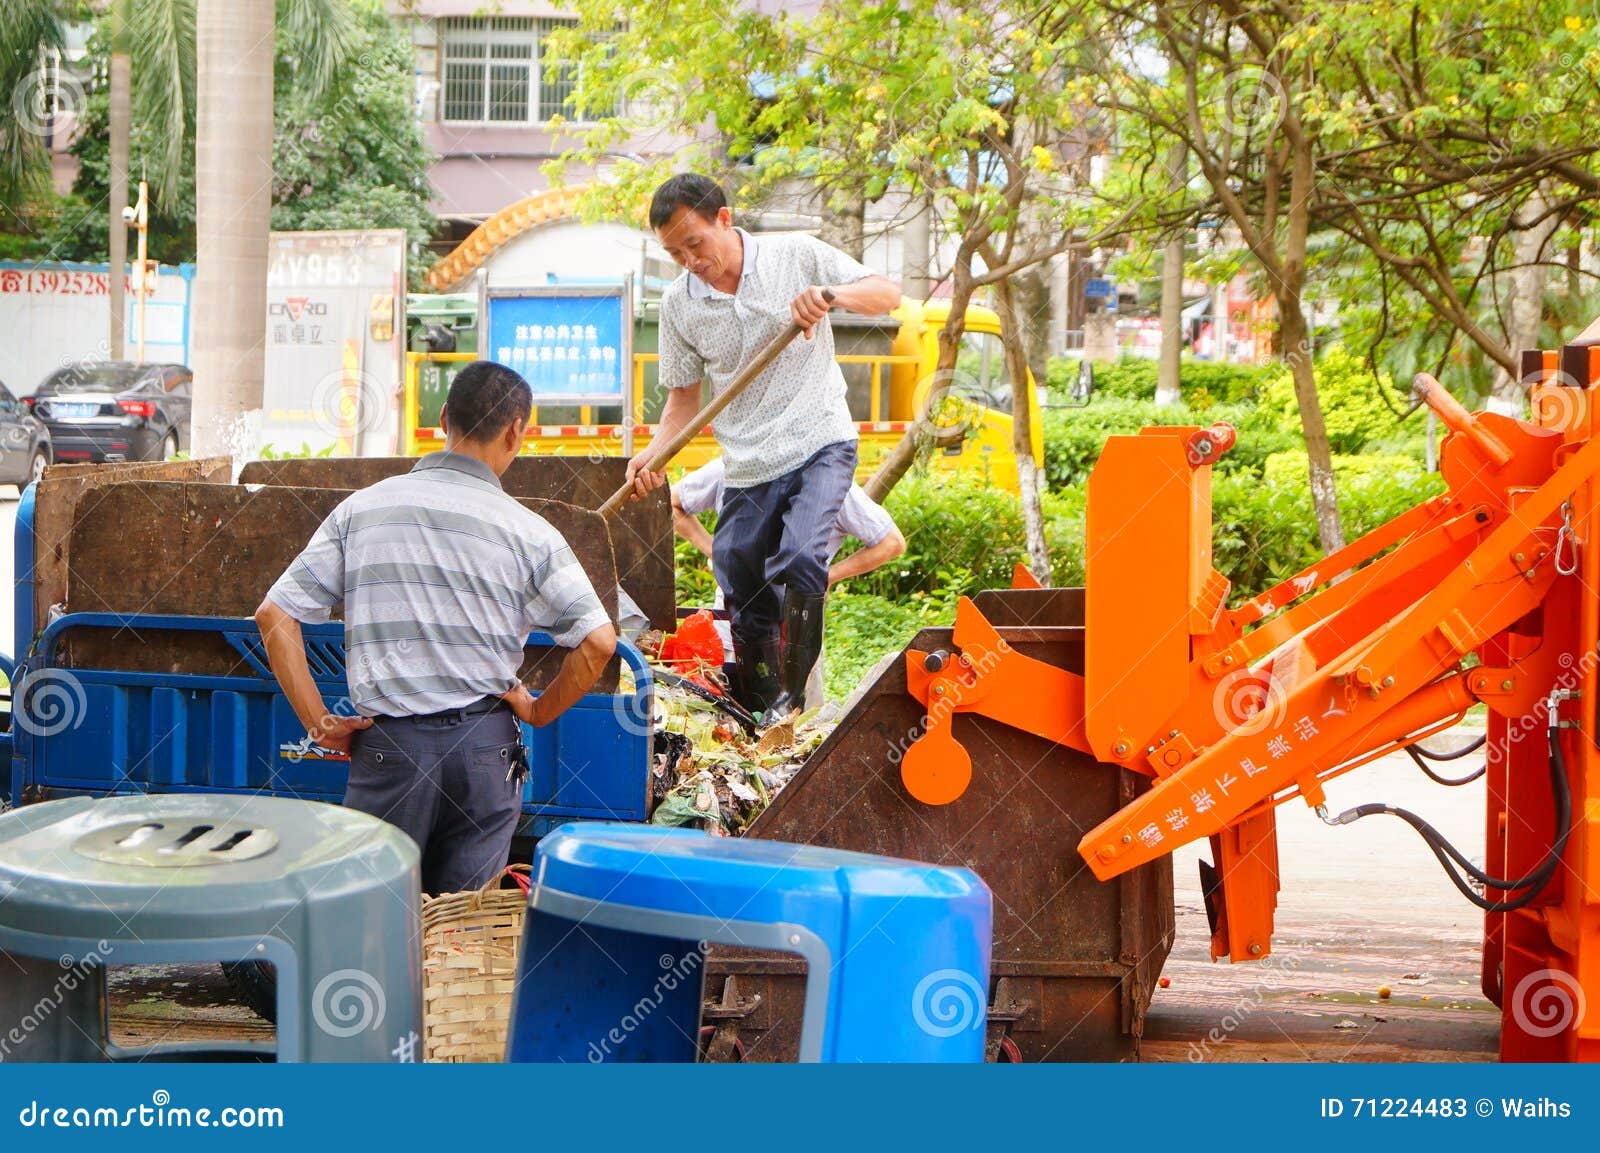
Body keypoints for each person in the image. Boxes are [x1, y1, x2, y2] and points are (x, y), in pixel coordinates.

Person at [256, 361, 616, 894]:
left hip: (390, 749)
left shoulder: (362, 511)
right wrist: (539, 711)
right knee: (460, 934)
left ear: (444, 417)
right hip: (485, 750)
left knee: (371, 916)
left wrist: (318, 721)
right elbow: (599, 641)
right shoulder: (531, 532)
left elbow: (275, 614)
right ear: (517, 430)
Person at [625, 173, 902, 721]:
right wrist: (655, 453)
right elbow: (683, 400)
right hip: (748, 465)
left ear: (724, 219)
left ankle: (794, 705)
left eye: (695, 243)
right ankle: (761, 713)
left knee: (801, 557)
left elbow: (887, 294)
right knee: (737, 573)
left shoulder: (794, 255)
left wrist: (830, 296)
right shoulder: (679, 304)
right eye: (674, 252)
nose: (689, 260)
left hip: (819, 440)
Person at [672, 454, 906, 710]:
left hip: (798, 633)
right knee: (728, 727)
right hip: (731, 635)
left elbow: (891, 542)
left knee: (797, 733)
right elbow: (673, 502)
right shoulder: (732, 467)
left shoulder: (830, 483)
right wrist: (715, 551)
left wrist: (827, 576)